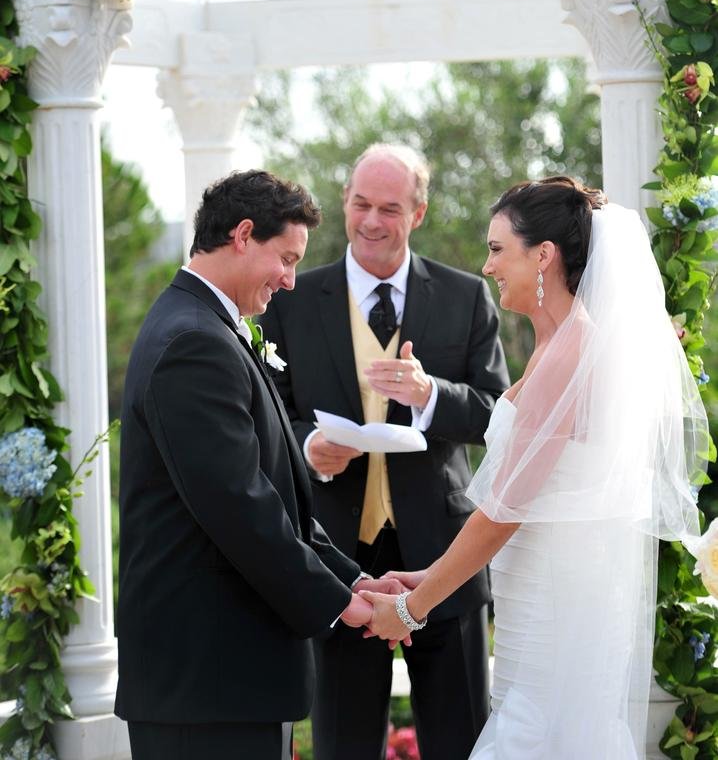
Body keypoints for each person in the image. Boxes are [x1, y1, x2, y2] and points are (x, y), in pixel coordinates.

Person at [362, 176, 708, 759]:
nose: (488, 265)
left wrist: (410, 609)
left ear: (543, 255)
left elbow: (504, 511)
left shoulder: (574, 351)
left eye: (499, 249)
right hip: (529, 614)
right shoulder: (555, 350)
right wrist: (425, 578)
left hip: (554, 621)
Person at [114, 169, 400, 760]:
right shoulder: (192, 343)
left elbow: (279, 500)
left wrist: (355, 579)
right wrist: (343, 605)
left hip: (229, 683)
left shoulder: (208, 328)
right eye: (286, 258)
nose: (291, 280)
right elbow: (240, 509)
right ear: (243, 234)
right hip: (206, 686)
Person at [259, 143, 510, 760]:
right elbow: (268, 411)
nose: (371, 221)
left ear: (418, 213)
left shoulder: (464, 296)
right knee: (344, 744)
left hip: (444, 557)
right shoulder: (290, 300)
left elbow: (501, 417)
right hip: (335, 559)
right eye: (360, 204)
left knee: (461, 741)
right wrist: (308, 445)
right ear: (345, 202)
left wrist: (430, 395)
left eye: (390, 208)